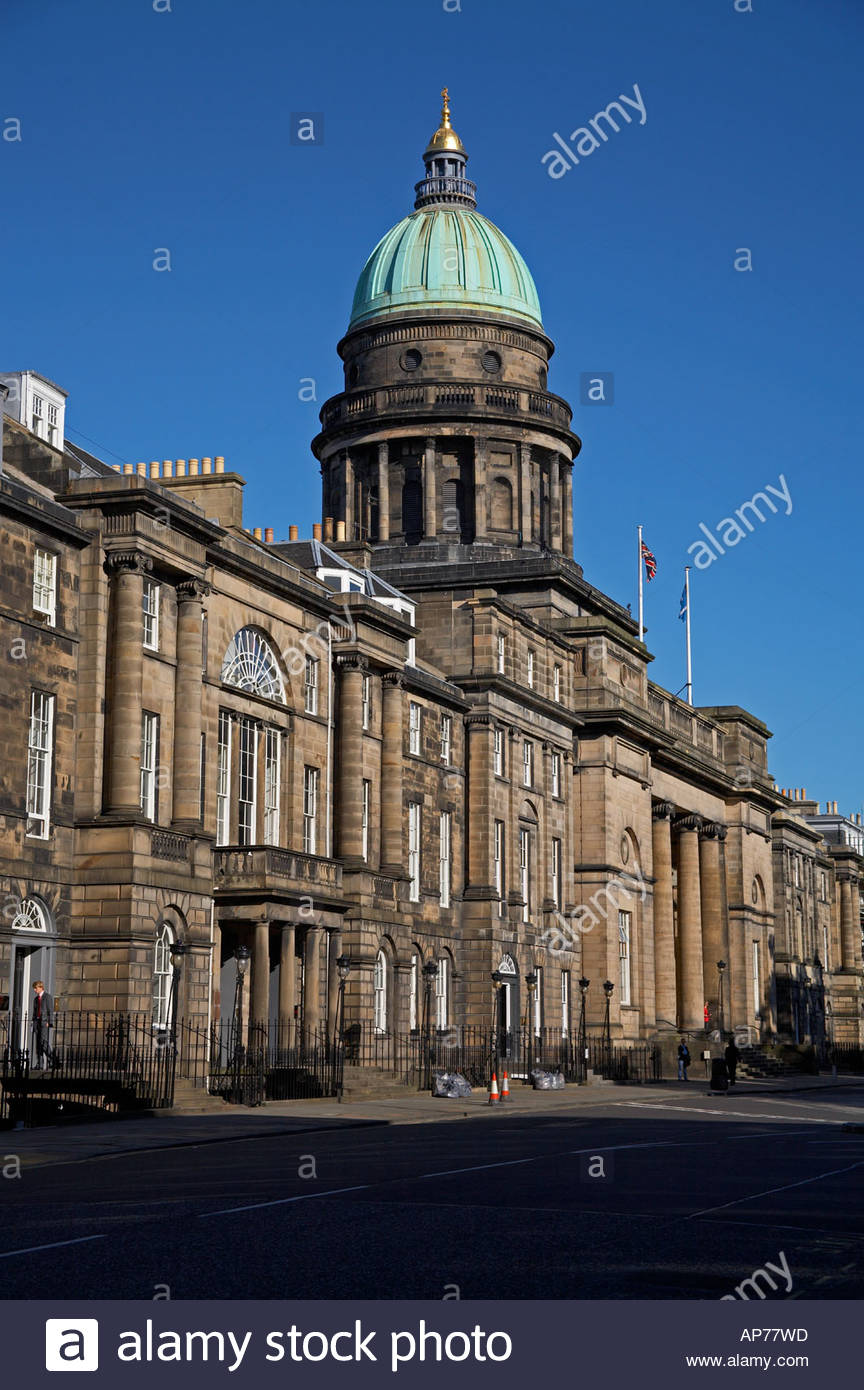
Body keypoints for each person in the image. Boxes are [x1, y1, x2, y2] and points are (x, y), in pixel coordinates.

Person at [31, 980, 54, 1069]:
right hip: (37, 1023)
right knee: (38, 1044)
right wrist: (33, 1022)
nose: (34, 990)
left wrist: (50, 1022)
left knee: (43, 1043)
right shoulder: (36, 999)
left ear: (40, 987)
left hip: (44, 1023)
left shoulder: (47, 997)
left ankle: (52, 1060)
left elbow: (50, 1010)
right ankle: (39, 1064)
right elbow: (34, 1011)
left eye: (35, 988)